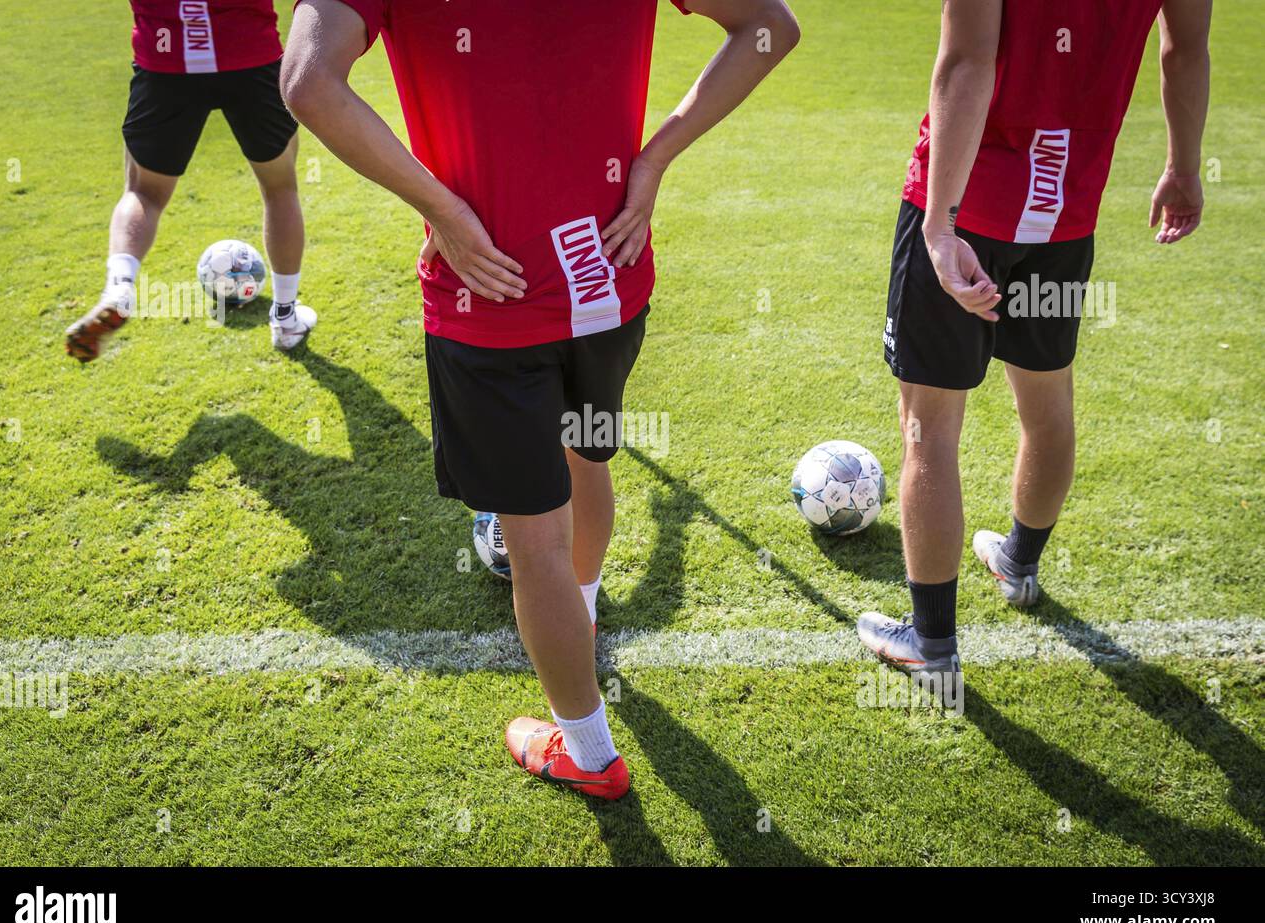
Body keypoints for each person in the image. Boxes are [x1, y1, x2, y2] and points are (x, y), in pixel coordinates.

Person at [281, 0, 799, 799]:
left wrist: (442, 208)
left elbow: (308, 82)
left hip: (492, 292)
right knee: (586, 457)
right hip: (608, 275)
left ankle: (589, 753)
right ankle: (578, 618)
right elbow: (771, 27)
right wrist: (653, 160)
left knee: (535, 542)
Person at [858, 0, 1210, 678]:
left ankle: (931, 644)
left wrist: (940, 224)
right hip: (1065, 209)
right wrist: (1184, 166)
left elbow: (969, 63)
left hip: (973, 206)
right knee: (1047, 404)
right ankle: (1018, 565)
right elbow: (1185, 47)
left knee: (929, 429)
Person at [65, 0, 317, 363]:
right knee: (279, 189)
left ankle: (119, 287)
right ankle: (285, 319)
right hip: (249, 55)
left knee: (144, 193)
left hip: (166, 61)